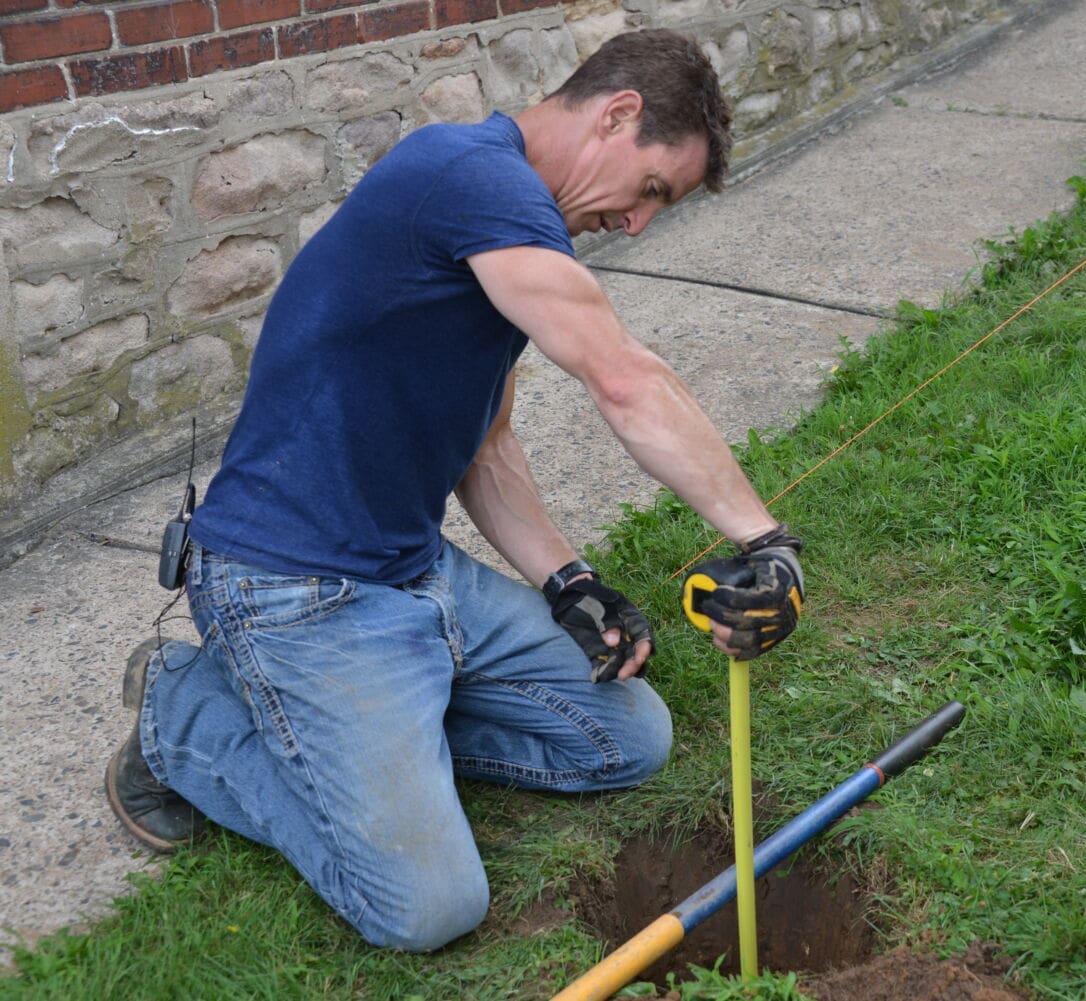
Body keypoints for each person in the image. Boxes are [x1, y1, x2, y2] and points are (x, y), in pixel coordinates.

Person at [104, 28, 805, 953]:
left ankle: (380, 731)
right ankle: (181, 712)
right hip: (287, 587)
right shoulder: (471, 177)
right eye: (650, 189)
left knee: (628, 738)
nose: (638, 224)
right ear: (617, 114)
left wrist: (570, 581)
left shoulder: (508, 230)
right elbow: (623, 377)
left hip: (411, 570)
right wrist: (765, 539)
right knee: (427, 908)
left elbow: (488, 443)